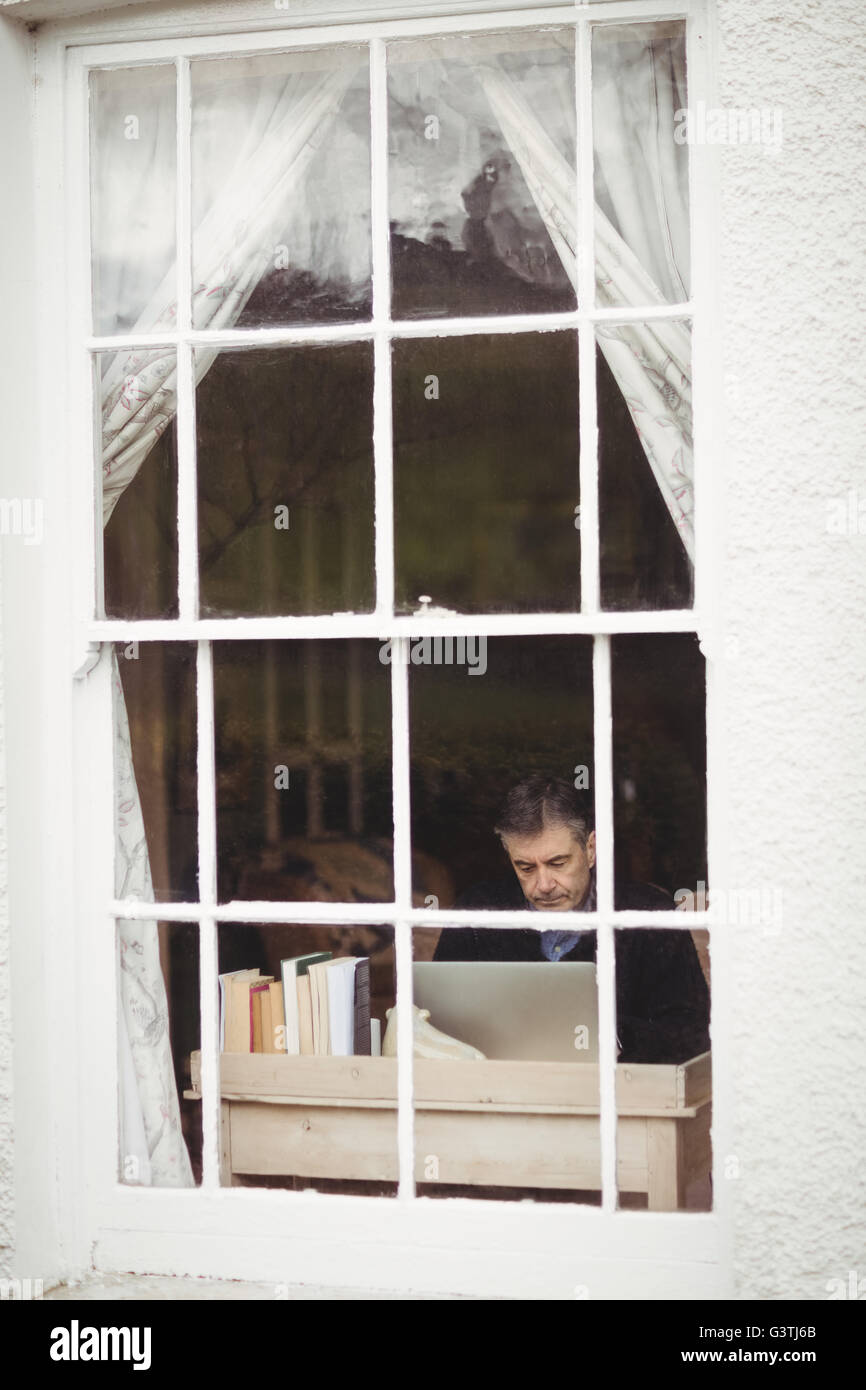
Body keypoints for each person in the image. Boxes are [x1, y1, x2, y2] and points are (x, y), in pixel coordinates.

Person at [433, 775, 710, 1064]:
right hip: (498, 1094)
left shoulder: (646, 913)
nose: (543, 884)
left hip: (620, 1096)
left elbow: (692, 1035)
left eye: (558, 863)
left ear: (591, 849)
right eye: (525, 867)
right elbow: (434, 1023)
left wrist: (612, 1035)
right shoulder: (478, 909)